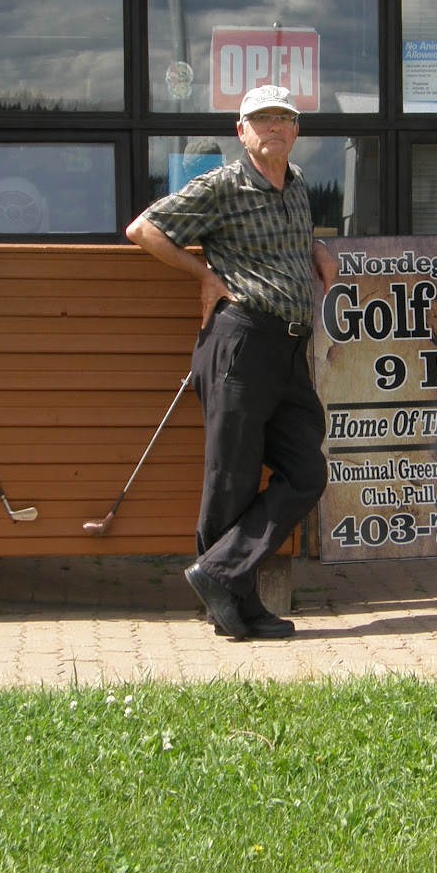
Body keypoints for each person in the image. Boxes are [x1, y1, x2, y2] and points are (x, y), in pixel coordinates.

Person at [125, 83, 338, 640]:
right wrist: (206, 278)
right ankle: (232, 608)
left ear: (296, 132)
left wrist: (315, 250)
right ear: (241, 132)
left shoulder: (296, 187)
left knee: (307, 471)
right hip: (240, 341)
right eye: (260, 119)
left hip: (289, 346)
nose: (274, 127)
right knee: (232, 477)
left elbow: (288, 244)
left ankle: (220, 575)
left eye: (284, 119)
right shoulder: (221, 185)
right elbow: (143, 229)